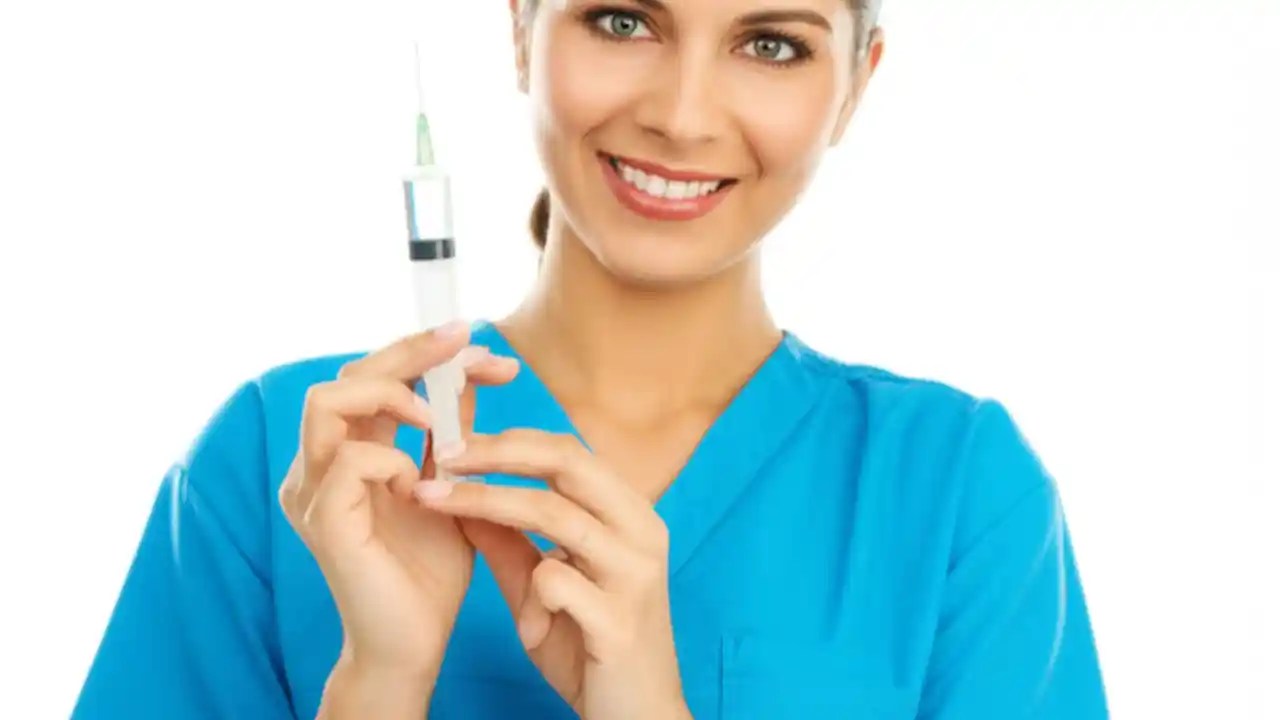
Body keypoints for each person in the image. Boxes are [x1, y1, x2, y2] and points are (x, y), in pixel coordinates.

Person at [73, 1, 1110, 718]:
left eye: (772, 44)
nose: (680, 112)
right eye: (621, 20)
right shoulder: (288, 458)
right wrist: (379, 684)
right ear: (521, 26)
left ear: (852, 86)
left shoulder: (956, 495)